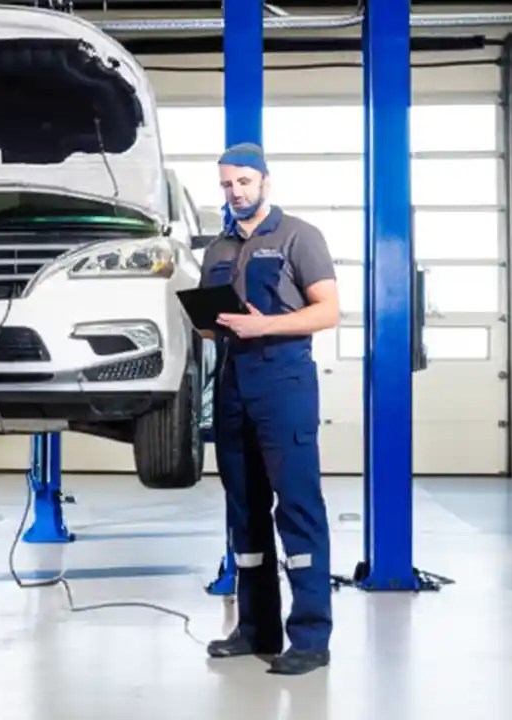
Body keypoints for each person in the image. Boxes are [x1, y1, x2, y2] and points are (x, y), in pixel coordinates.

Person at [197, 142, 340, 676]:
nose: (235, 192)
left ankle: (309, 637)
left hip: (284, 383)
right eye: (227, 185)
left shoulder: (299, 237)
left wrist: (267, 325)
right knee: (244, 510)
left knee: (298, 507)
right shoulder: (215, 249)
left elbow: (328, 312)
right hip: (232, 382)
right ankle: (255, 628)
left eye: (243, 182)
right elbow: (215, 325)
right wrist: (205, 323)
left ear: (264, 182)